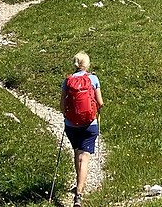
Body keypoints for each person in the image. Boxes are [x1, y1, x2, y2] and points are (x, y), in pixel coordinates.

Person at [60, 51, 103, 207]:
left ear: (75, 64)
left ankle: (78, 186)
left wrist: (68, 116)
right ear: (87, 64)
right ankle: (79, 193)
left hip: (71, 125)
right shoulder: (93, 79)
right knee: (84, 157)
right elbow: (101, 102)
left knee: (77, 153)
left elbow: (62, 106)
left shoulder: (68, 80)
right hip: (89, 124)